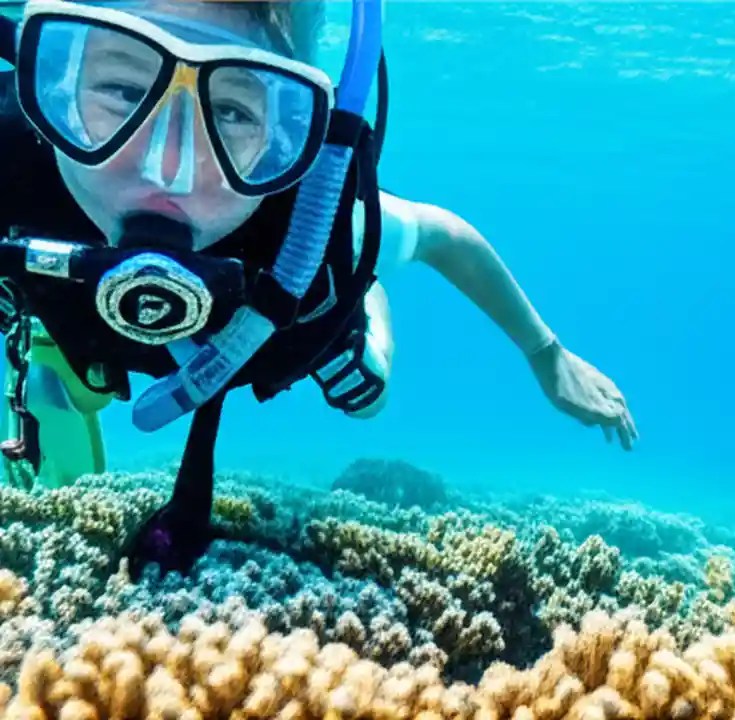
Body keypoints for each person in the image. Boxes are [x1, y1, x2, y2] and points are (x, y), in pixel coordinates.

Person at [0, 0, 637, 574]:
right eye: (120, 87)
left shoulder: (315, 229)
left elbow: (442, 236)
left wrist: (546, 354)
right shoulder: (11, 163)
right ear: (52, 80)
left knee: (366, 393)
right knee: (75, 376)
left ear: (286, 131)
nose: (169, 164)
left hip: (286, 320)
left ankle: (366, 308)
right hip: (74, 314)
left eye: (230, 110)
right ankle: (61, 364)